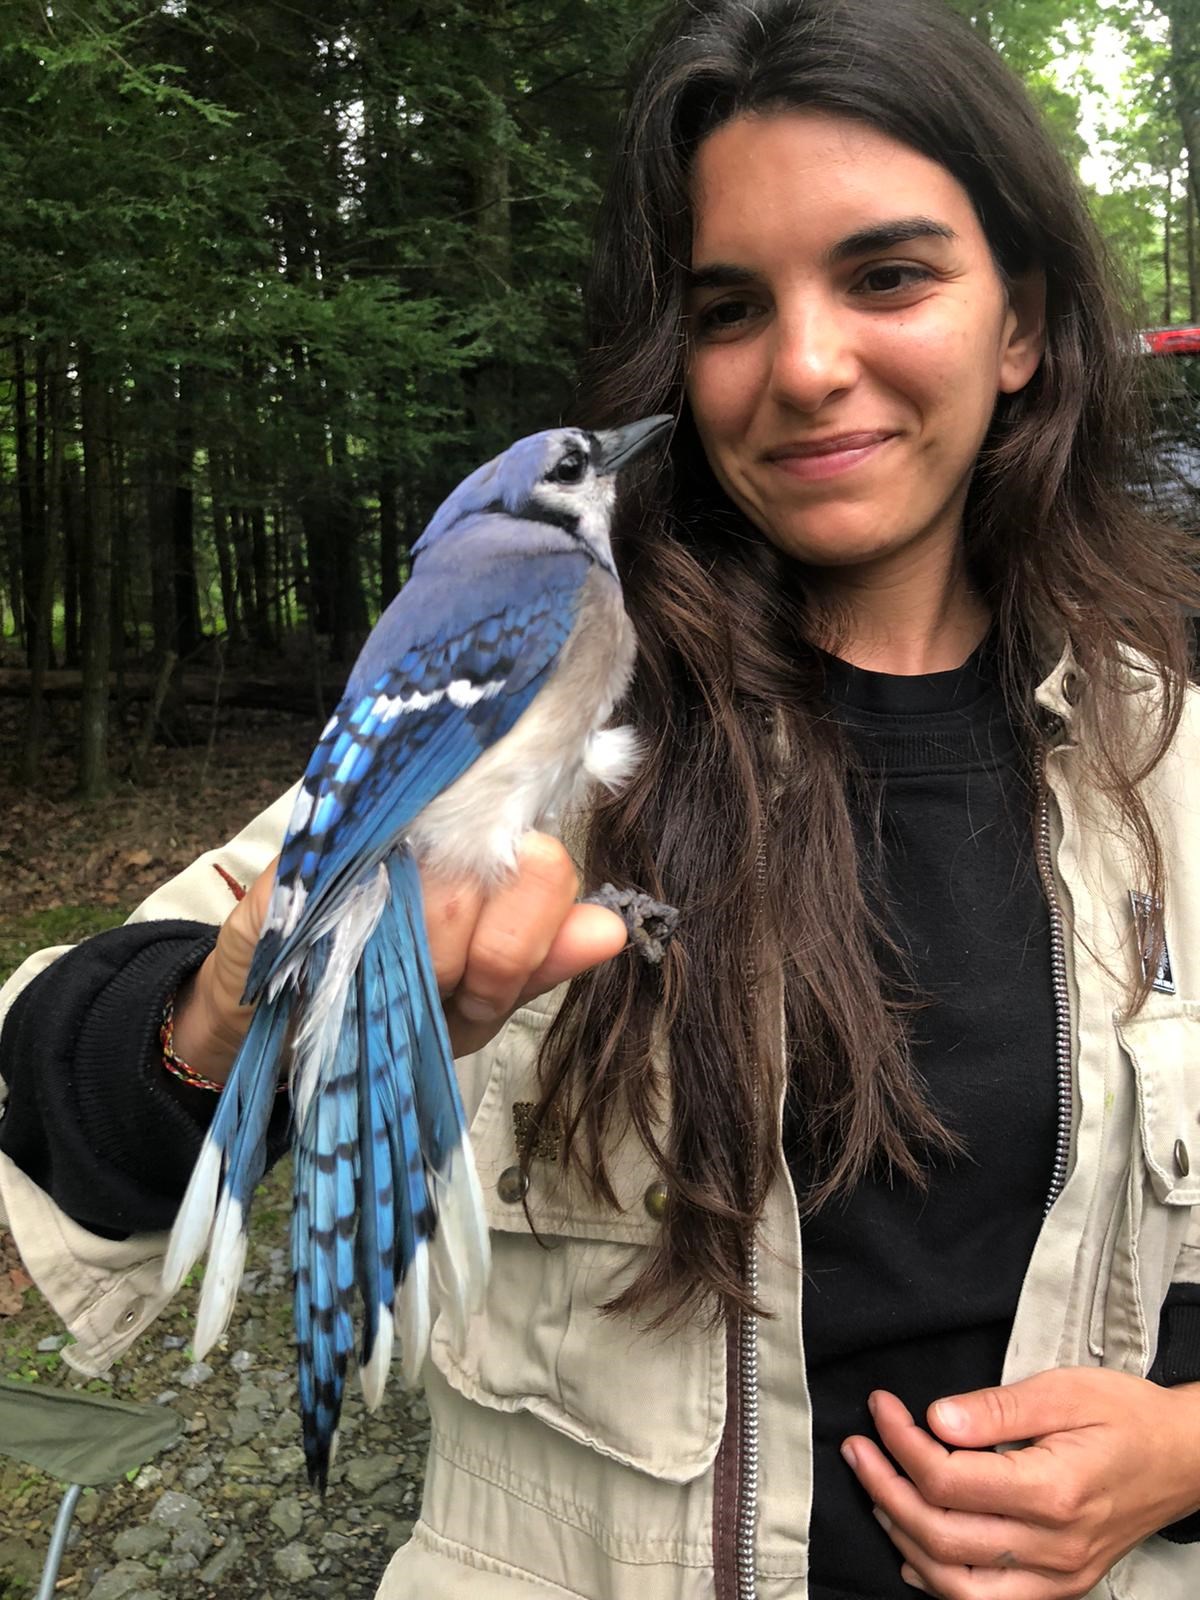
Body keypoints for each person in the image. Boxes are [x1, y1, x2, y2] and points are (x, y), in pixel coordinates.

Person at [3, 0, 1200, 1594]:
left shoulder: (1168, 744)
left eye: (888, 274)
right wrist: (222, 1021)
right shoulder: (574, 682)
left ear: (1025, 326)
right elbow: (61, 1075)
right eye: (728, 305)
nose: (807, 365)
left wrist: (1184, 1455)